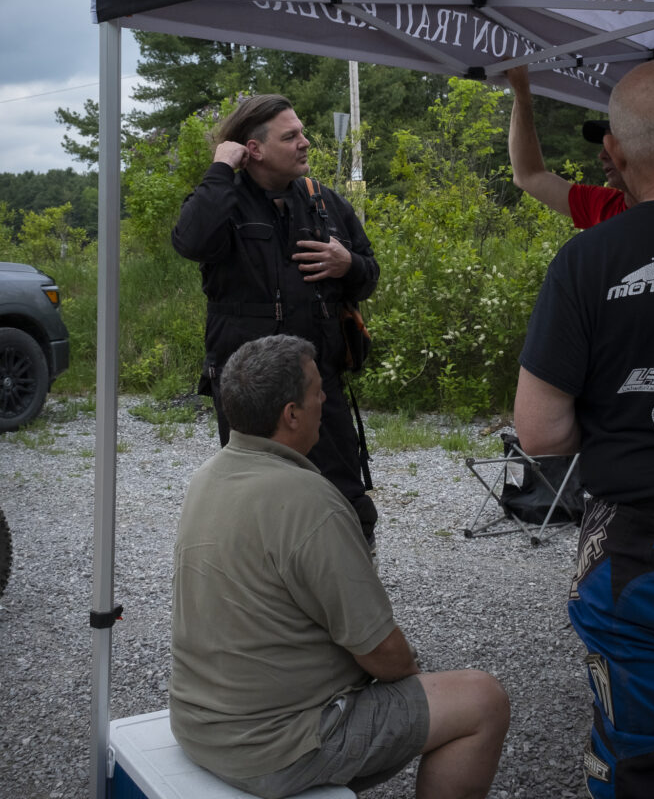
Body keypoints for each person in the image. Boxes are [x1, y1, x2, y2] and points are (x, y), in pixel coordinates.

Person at [170, 334, 510, 799]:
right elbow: (381, 651)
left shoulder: (206, 476)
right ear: (291, 415)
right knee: (482, 701)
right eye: (317, 391)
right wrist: (409, 682)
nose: (326, 398)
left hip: (198, 726)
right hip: (273, 751)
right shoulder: (311, 502)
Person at [513, 59, 654, 797]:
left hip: (644, 551)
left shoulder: (587, 258)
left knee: (645, 763)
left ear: (612, 153)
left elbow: (540, 434)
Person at [171, 94, 379, 542]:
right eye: (291, 136)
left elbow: (368, 276)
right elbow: (190, 241)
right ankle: (270, 594)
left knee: (343, 492)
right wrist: (220, 168)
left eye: (302, 132)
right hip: (248, 385)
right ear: (255, 149)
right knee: (256, 497)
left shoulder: (324, 202)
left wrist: (350, 266)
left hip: (316, 379)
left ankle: (349, 583)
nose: (305, 142)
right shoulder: (222, 201)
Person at [506, 64, 636, 228]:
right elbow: (528, 175)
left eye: (613, 143)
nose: (602, 155)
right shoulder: (602, 205)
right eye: (603, 145)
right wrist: (522, 96)